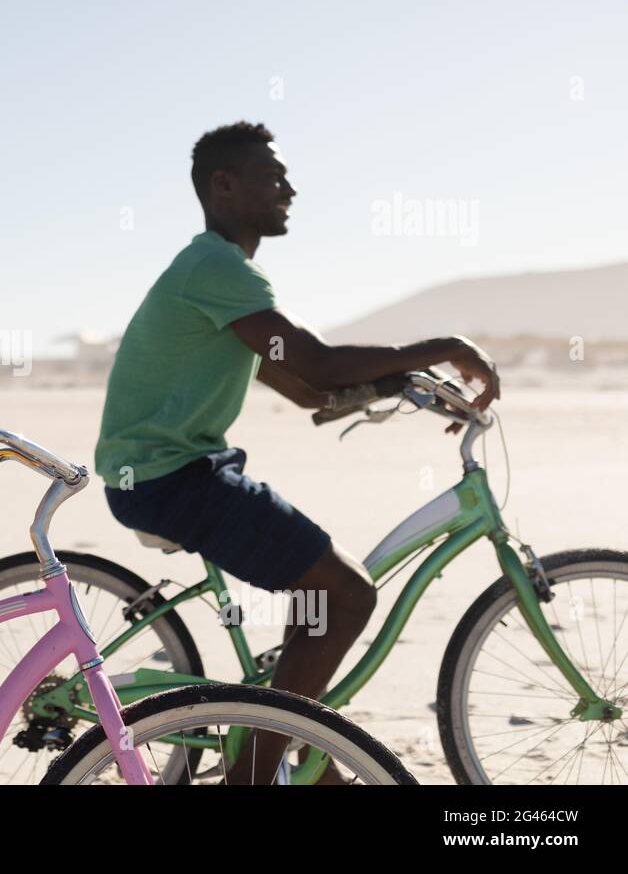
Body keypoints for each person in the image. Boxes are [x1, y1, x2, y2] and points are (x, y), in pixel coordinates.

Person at [94, 121, 500, 783]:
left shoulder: (223, 276)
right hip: (172, 478)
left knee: (316, 601)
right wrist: (447, 344)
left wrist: (407, 384)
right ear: (224, 185)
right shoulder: (215, 266)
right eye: (273, 176)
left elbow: (308, 388)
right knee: (345, 597)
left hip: (173, 473)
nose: (290, 189)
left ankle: (291, 742)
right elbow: (317, 360)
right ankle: (251, 774)